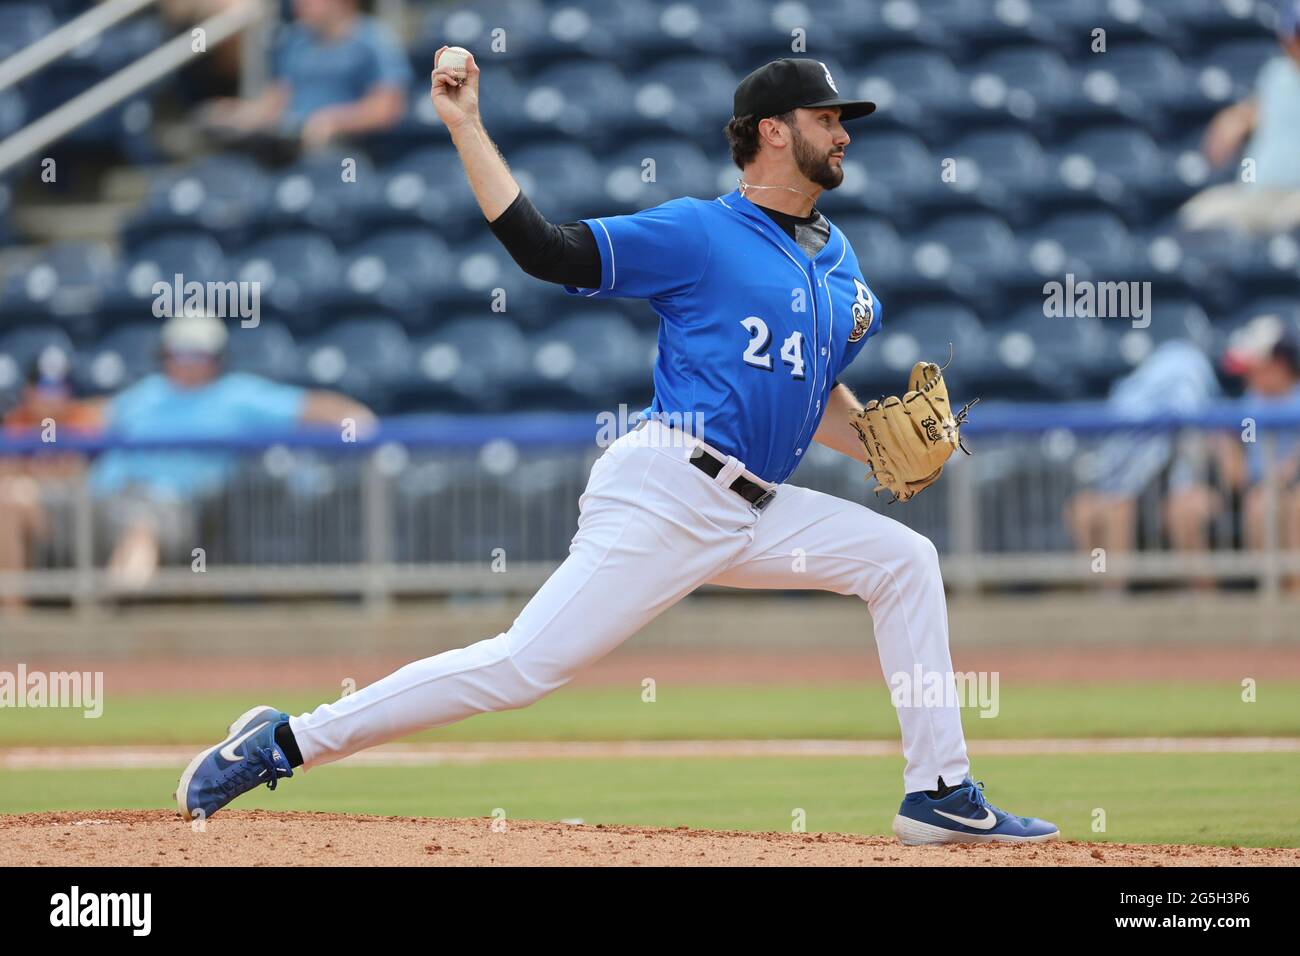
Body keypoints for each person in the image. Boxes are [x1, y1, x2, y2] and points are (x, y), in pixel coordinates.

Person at [177, 54, 1058, 845]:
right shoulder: (697, 231)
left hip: (760, 507)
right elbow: (544, 249)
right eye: (829, 118)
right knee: (523, 667)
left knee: (904, 560)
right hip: (670, 491)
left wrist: (870, 442)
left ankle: (938, 791)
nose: (843, 134)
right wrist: (467, 126)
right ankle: (283, 742)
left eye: (842, 120)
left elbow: (813, 386)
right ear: (773, 133)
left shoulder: (841, 260)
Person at [91, 313, 375, 590]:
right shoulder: (147, 392)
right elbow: (90, 419)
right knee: (49, 501)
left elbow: (312, 408)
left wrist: (356, 422)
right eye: (177, 353)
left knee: (141, 529)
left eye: (196, 354)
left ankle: (113, 609)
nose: (185, 363)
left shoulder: (236, 395)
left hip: (176, 508)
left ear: (216, 358)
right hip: (104, 499)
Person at [1065, 341, 1220, 590]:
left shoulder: (1206, 418)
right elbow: (1110, 477)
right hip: (1133, 499)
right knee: (1094, 508)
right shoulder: (1128, 419)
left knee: (1183, 509)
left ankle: (1204, 600)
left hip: (1185, 495)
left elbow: (1232, 477)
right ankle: (1107, 600)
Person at [1164, 314, 1300, 588]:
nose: (1248, 374)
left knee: (1279, 504)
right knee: (1184, 507)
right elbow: (1236, 475)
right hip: (1250, 491)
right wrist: (1224, 450)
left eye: (1256, 366)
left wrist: (1278, 480)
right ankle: (1208, 611)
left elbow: (1288, 470)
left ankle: (1288, 601)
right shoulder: (1245, 406)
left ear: (1280, 364)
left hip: (1287, 492)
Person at [198, 0, 411, 152]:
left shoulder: (375, 39)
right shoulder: (295, 40)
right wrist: (240, 115)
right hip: (287, 145)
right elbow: (278, 99)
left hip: (345, 151)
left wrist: (334, 121)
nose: (299, 3)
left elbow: (387, 108)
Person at [1182, 0, 1300, 234]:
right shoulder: (1276, 74)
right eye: (1296, 33)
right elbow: (1255, 112)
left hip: (1295, 196)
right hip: (1258, 195)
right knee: (1197, 215)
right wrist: (1235, 119)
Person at [0, 349, 103, 614]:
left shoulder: (85, 419)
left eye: (59, 387)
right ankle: (14, 609)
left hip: (82, 520)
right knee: (10, 497)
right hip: (32, 519)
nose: (51, 396)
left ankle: (16, 610)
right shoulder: (16, 423)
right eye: (44, 386)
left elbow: (80, 473)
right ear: (28, 391)